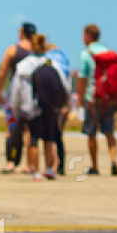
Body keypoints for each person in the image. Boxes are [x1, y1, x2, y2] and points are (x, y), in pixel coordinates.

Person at [9, 33, 69, 181]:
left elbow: (16, 89)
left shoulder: (24, 65)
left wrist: (16, 108)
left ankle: (35, 171)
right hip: (50, 106)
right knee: (49, 138)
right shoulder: (52, 63)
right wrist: (65, 103)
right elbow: (64, 85)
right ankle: (49, 169)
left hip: (32, 107)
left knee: (34, 138)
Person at [76, 23, 117, 176]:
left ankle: (94, 166)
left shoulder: (86, 54)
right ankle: (114, 160)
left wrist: (80, 98)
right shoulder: (109, 52)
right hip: (109, 98)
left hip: (93, 99)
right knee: (109, 132)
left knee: (91, 133)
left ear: (88, 36)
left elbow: (83, 79)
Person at [0, 22, 36, 173]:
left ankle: (11, 161)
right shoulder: (38, 50)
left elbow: (2, 71)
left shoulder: (13, 49)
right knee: (31, 129)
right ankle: (31, 164)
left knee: (12, 128)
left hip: (16, 93)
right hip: (34, 94)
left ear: (22, 33)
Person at [44, 39, 72, 175]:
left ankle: (53, 163)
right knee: (59, 135)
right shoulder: (64, 62)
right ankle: (60, 165)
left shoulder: (48, 61)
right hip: (64, 102)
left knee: (50, 135)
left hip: (51, 103)